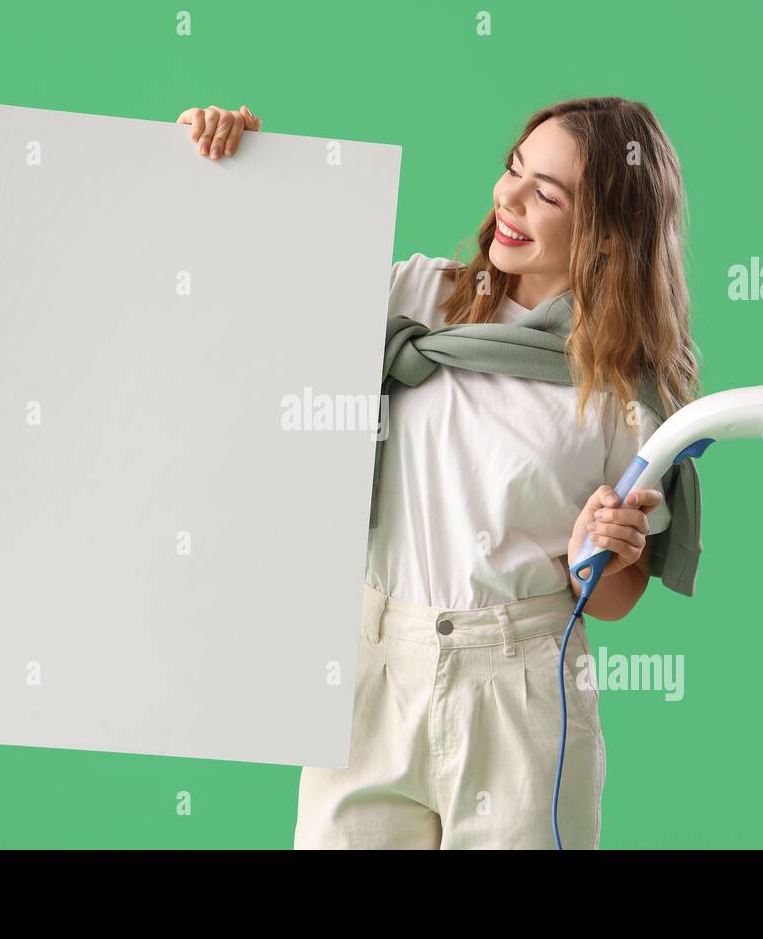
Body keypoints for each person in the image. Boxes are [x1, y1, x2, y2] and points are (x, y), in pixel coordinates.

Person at [177, 99, 701, 849]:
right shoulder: (416, 297)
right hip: (372, 668)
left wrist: (602, 552)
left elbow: (614, 598)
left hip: (520, 691)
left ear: (608, 236)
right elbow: (252, 301)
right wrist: (242, 166)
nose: (509, 198)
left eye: (547, 194)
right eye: (513, 168)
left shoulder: (623, 390)